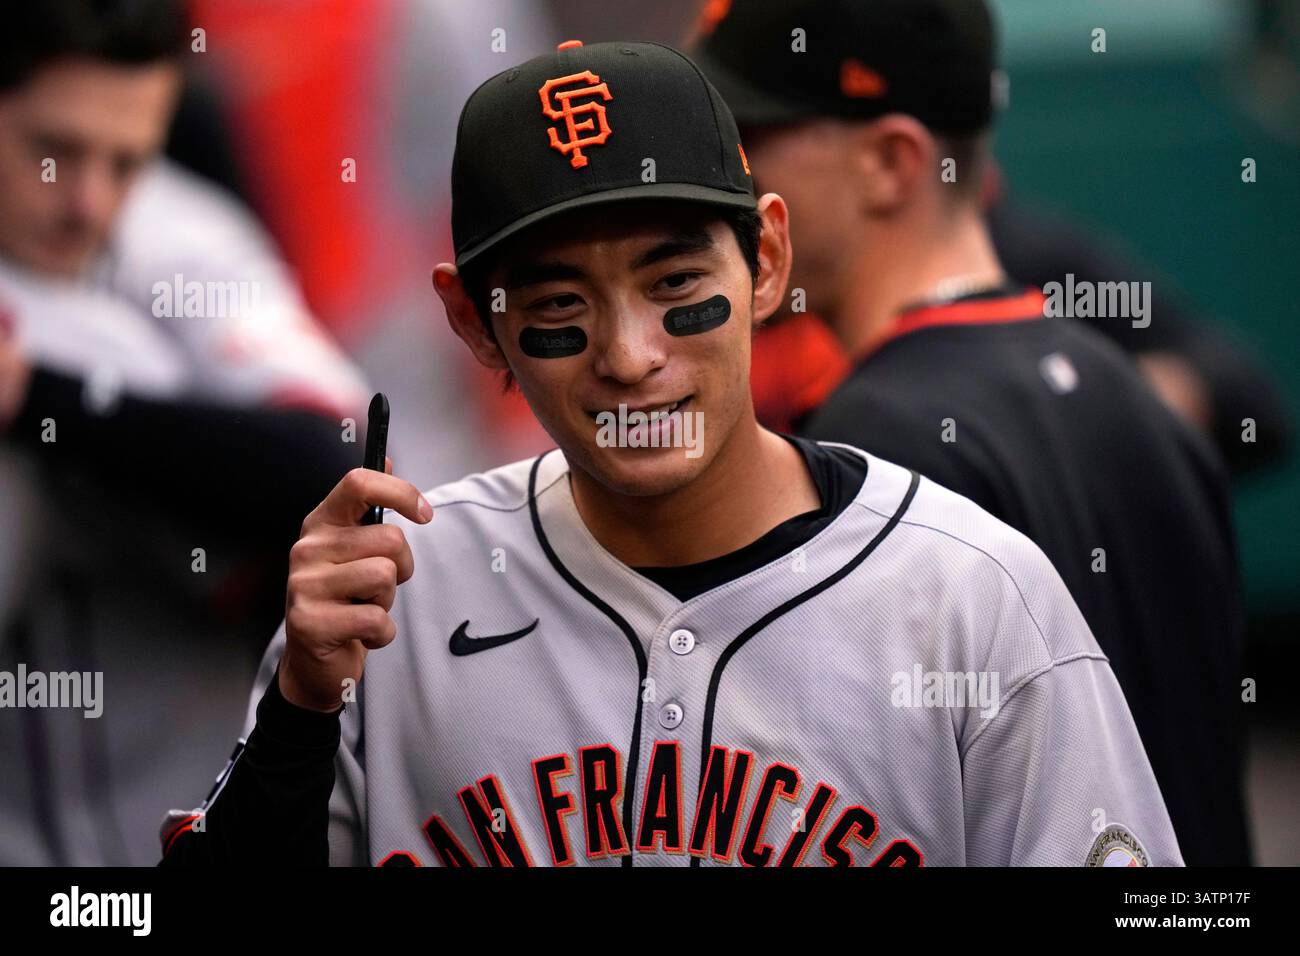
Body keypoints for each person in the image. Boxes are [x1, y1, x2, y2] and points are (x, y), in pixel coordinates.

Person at [160, 39, 1178, 867]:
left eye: (674, 282)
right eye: (560, 305)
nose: (629, 356)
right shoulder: (397, 599)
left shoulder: (970, 594)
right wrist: (301, 706)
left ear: (766, 259)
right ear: (475, 322)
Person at [693, 0, 1250, 864]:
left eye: (750, 140)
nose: (726, 180)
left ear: (889, 162)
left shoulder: (874, 438)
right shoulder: (1129, 391)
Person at [0, 0, 368, 864]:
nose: (89, 200)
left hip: (185, 837)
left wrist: (40, 397)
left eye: (126, 161)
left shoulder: (179, 237)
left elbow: (336, 465)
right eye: (53, 153)